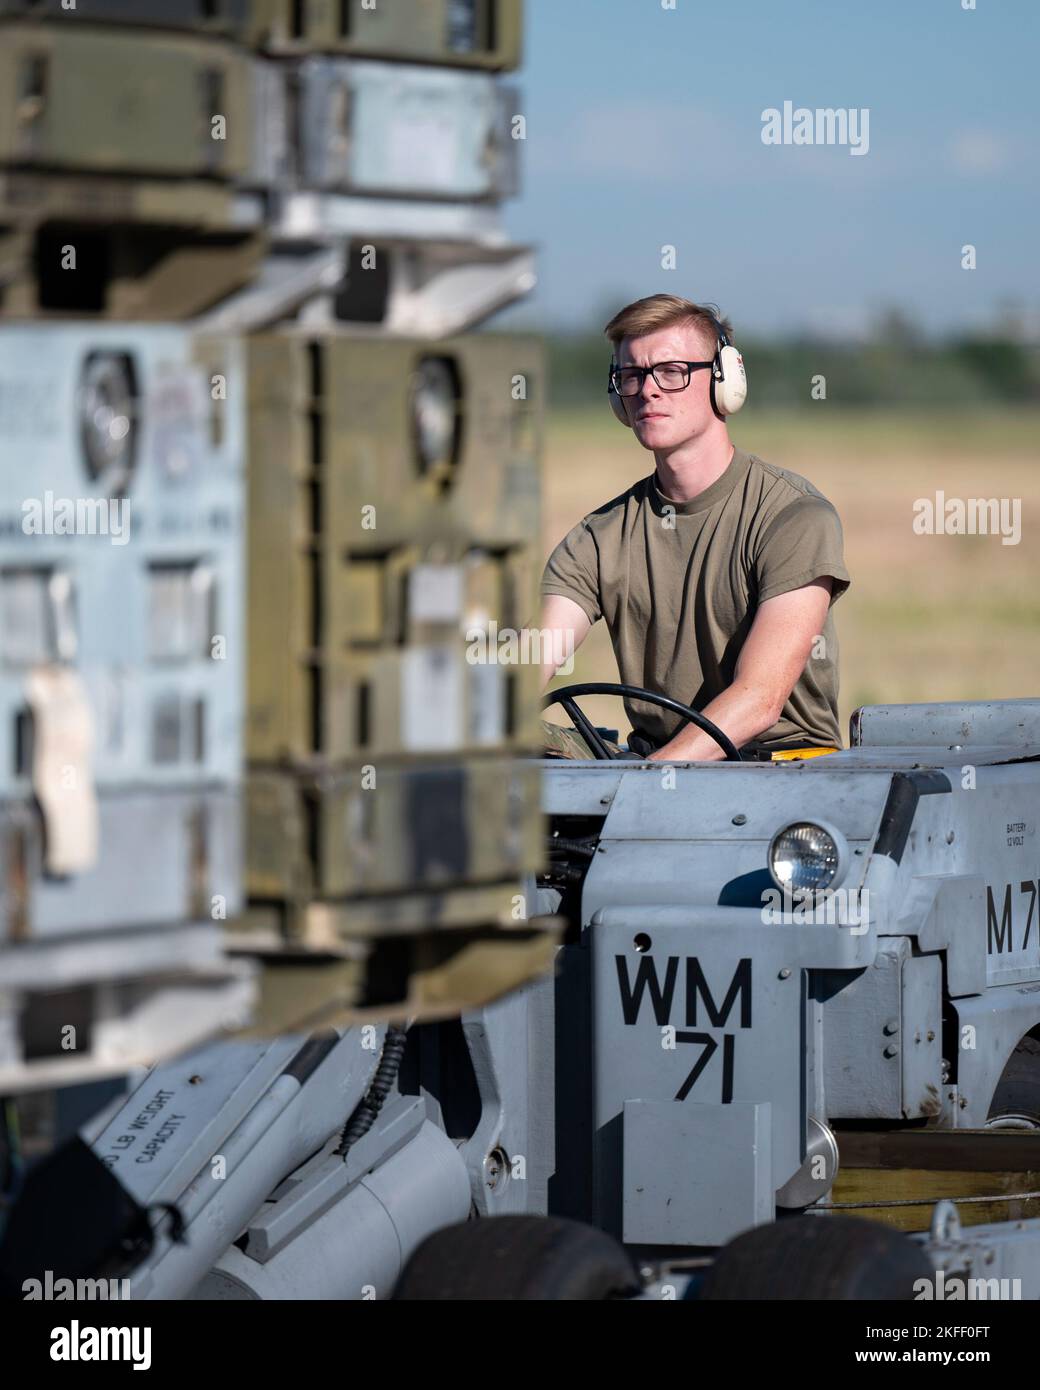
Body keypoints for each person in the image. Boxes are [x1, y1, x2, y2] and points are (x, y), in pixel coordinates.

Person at [539, 294, 850, 762]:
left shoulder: (793, 516)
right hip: (655, 764)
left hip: (778, 771)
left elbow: (760, 700)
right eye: (631, 376)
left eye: (671, 371)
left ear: (725, 381)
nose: (648, 390)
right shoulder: (600, 536)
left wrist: (646, 783)